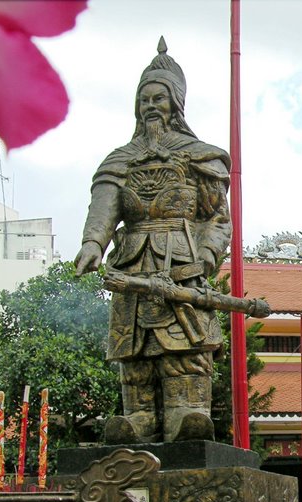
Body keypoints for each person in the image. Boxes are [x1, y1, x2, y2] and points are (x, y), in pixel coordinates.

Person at [75, 37, 231, 444]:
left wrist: (207, 257)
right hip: (132, 264)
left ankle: (187, 414)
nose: (150, 106)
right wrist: (93, 243)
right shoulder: (120, 160)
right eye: (143, 98)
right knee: (135, 351)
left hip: (182, 264)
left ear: (175, 104)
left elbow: (217, 218)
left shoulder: (200, 157)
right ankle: (138, 418)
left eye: (159, 98)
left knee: (183, 348)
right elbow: (105, 204)